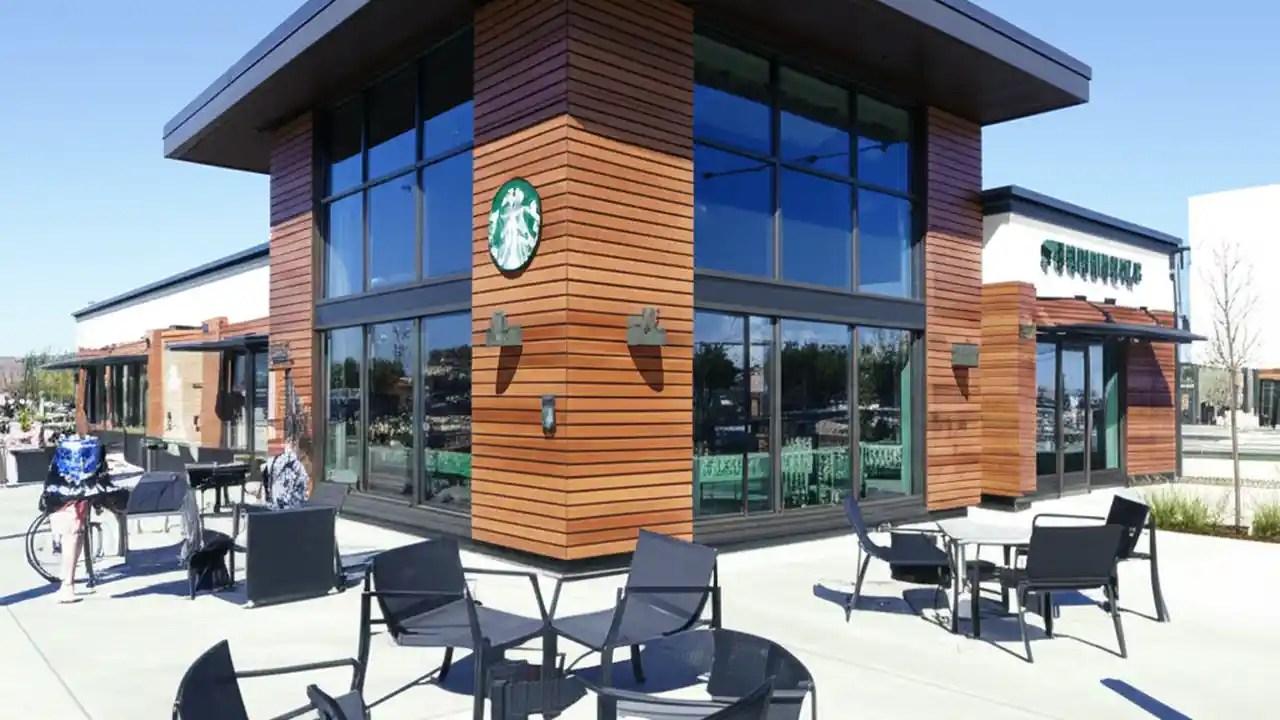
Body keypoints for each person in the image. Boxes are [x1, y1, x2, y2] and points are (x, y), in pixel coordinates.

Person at [40, 435, 121, 603]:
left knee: (71, 534)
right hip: (78, 492)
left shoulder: (65, 465)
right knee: (74, 532)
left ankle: (67, 584)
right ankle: (68, 582)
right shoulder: (84, 462)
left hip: (66, 493)